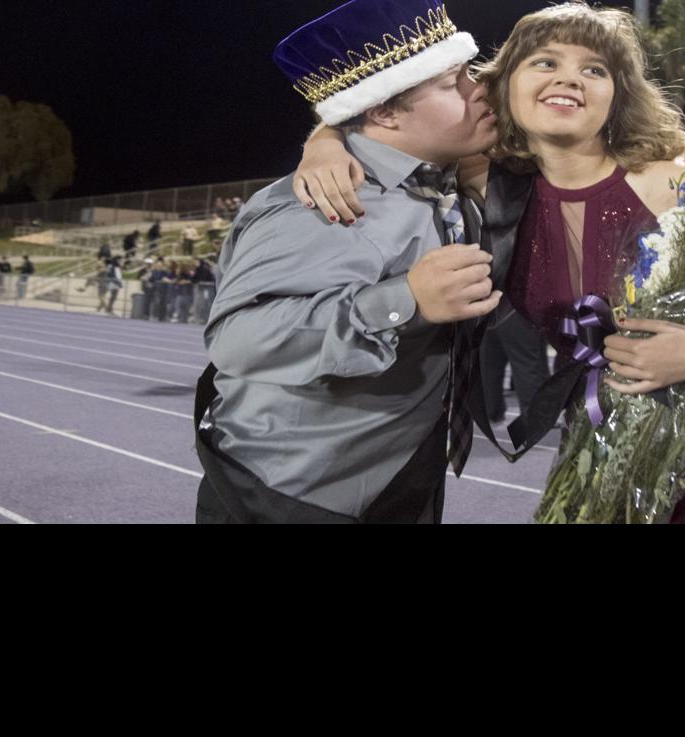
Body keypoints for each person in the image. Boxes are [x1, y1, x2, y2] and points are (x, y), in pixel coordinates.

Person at [297, 1, 685, 523]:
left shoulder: (677, 182)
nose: (569, 79)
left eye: (594, 69)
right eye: (545, 62)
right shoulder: (491, 185)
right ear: (503, 86)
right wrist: (326, 141)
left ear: (617, 95)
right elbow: (393, 121)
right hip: (599, 433)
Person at [195, 0, 503, 524]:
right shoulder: (315, 200)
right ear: (383, 110)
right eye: (455, 82)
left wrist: (326, 133)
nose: (480, 90)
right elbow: (237, 337)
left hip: (394, 475)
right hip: (293, 492)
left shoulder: (439, 180)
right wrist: (405, 299)